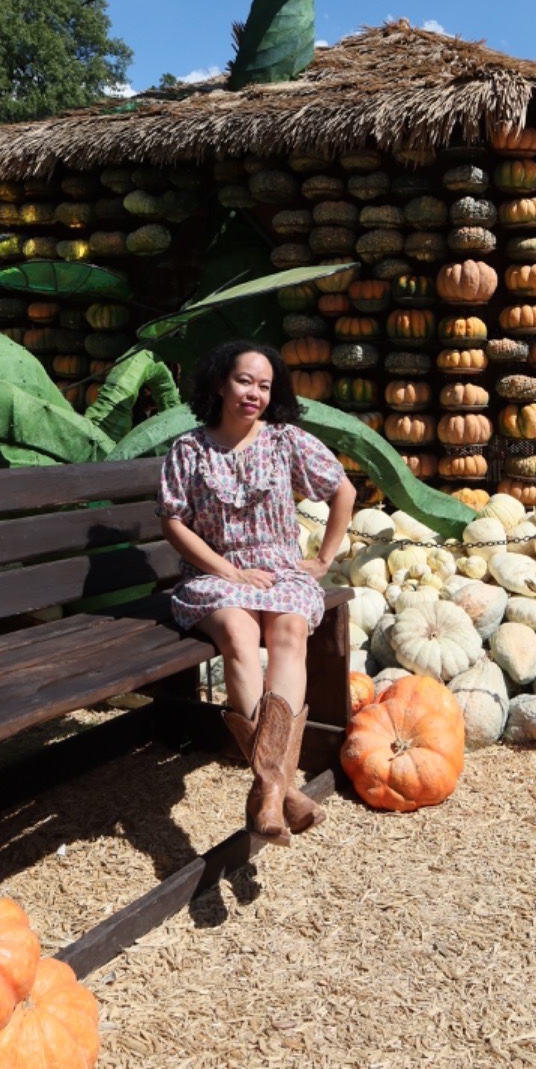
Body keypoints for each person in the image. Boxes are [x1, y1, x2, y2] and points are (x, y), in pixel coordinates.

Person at [156, 340, 357, 847]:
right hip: (214, 573)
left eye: (265, 386)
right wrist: (229, 571)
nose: (254, 394)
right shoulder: (189, 450)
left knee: (290, 631)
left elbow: (344, 490)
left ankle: (267, 788)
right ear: (220, 384)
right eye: (244, 381)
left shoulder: (286, 441)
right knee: (238, 636)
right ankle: (282, 790)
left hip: (280, 571)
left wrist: (323, 559)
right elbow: (172, 522)